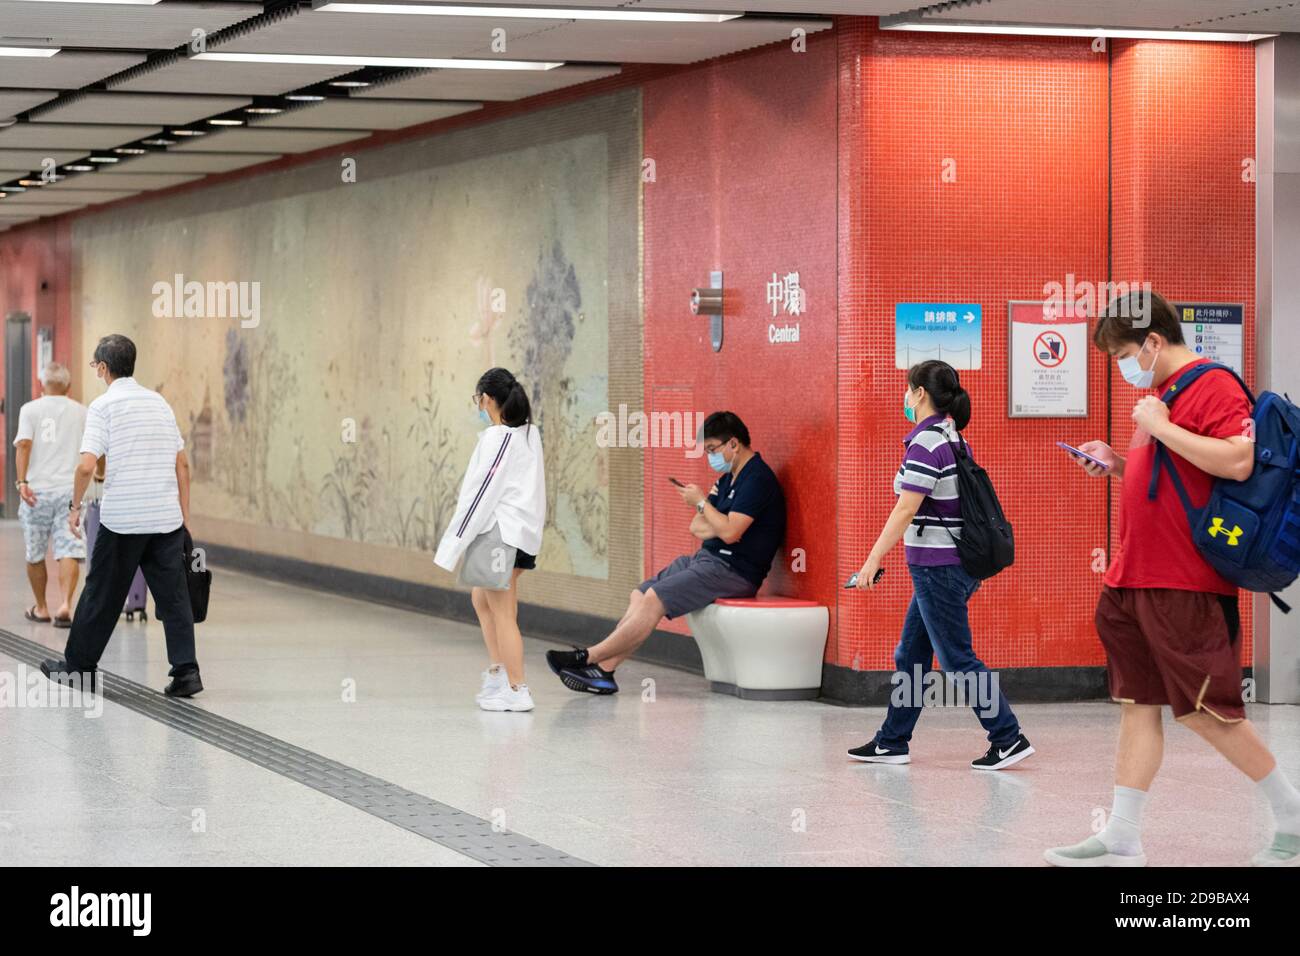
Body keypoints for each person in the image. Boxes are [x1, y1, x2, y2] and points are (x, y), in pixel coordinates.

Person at [1046, 290, 1300, 867]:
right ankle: (1122, 835)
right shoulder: (1162, 396)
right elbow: (1176, 475)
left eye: (1124, 354)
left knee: (1206, 710)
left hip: (1182, 579)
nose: (1122, 367)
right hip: (1133, 575)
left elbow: (1237, 459)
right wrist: (1114, 461)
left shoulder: (1212, 385)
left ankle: (1291, 816)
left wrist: (1158, 426)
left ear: (1154, 342)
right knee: (1137, 702)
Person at [848, 360, 1034, 770]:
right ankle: (892, 741)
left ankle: (1007, 737)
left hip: (939, 568)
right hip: (946, 567)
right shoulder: (949, 436)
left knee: (955, 658)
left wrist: (872, 560)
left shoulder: (927, 444)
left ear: (918, 393)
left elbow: (905, 509)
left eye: (908, 390)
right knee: (911, 654)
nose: (905, 397)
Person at [546, 411, 785, 695]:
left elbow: (731, 533)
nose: (710, 457)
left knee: (654, 599)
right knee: (640, 594)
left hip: (734, 570)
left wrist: (702, 504)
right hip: (707, 559)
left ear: (733, 444)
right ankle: (604, 672)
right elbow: (697, 527)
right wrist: (715, 519)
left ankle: (588, 657)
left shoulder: (757, 479)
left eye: (712, 450)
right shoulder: (727, 479)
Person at [38, 334, 202, 698]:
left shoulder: (103, 406)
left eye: (96, 365)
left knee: (102, 593)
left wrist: (75, 507)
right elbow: (183, 463)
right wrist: (185, 518)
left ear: (104, 368)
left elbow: (85, 466)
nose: (96, 370)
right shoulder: (159, 403)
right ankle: (186, 671)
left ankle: (78, 668)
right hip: (164, 519)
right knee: (174, 598)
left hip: (124, 520)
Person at [435, 368, 545, 713]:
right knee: (482, 600)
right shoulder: (528, 434)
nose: (478, 406)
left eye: (477, 399)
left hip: (502, 535)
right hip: (518, 535)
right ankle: (499, 674)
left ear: (487, 399)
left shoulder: (498, 438)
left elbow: (480, 496)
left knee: (503, 611)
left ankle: (517, 687)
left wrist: (452, 544)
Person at [13, 362, 88, 628]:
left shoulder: (30, 409)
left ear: (41, 386)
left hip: (36, 492)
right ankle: (66, 604)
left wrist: (22, 482)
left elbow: (23, 445)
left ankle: (42, 608)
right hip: (70, 492)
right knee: (69, 548)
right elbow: (92, 452)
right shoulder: (82, 411)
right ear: (68, 387)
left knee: (35, 552)